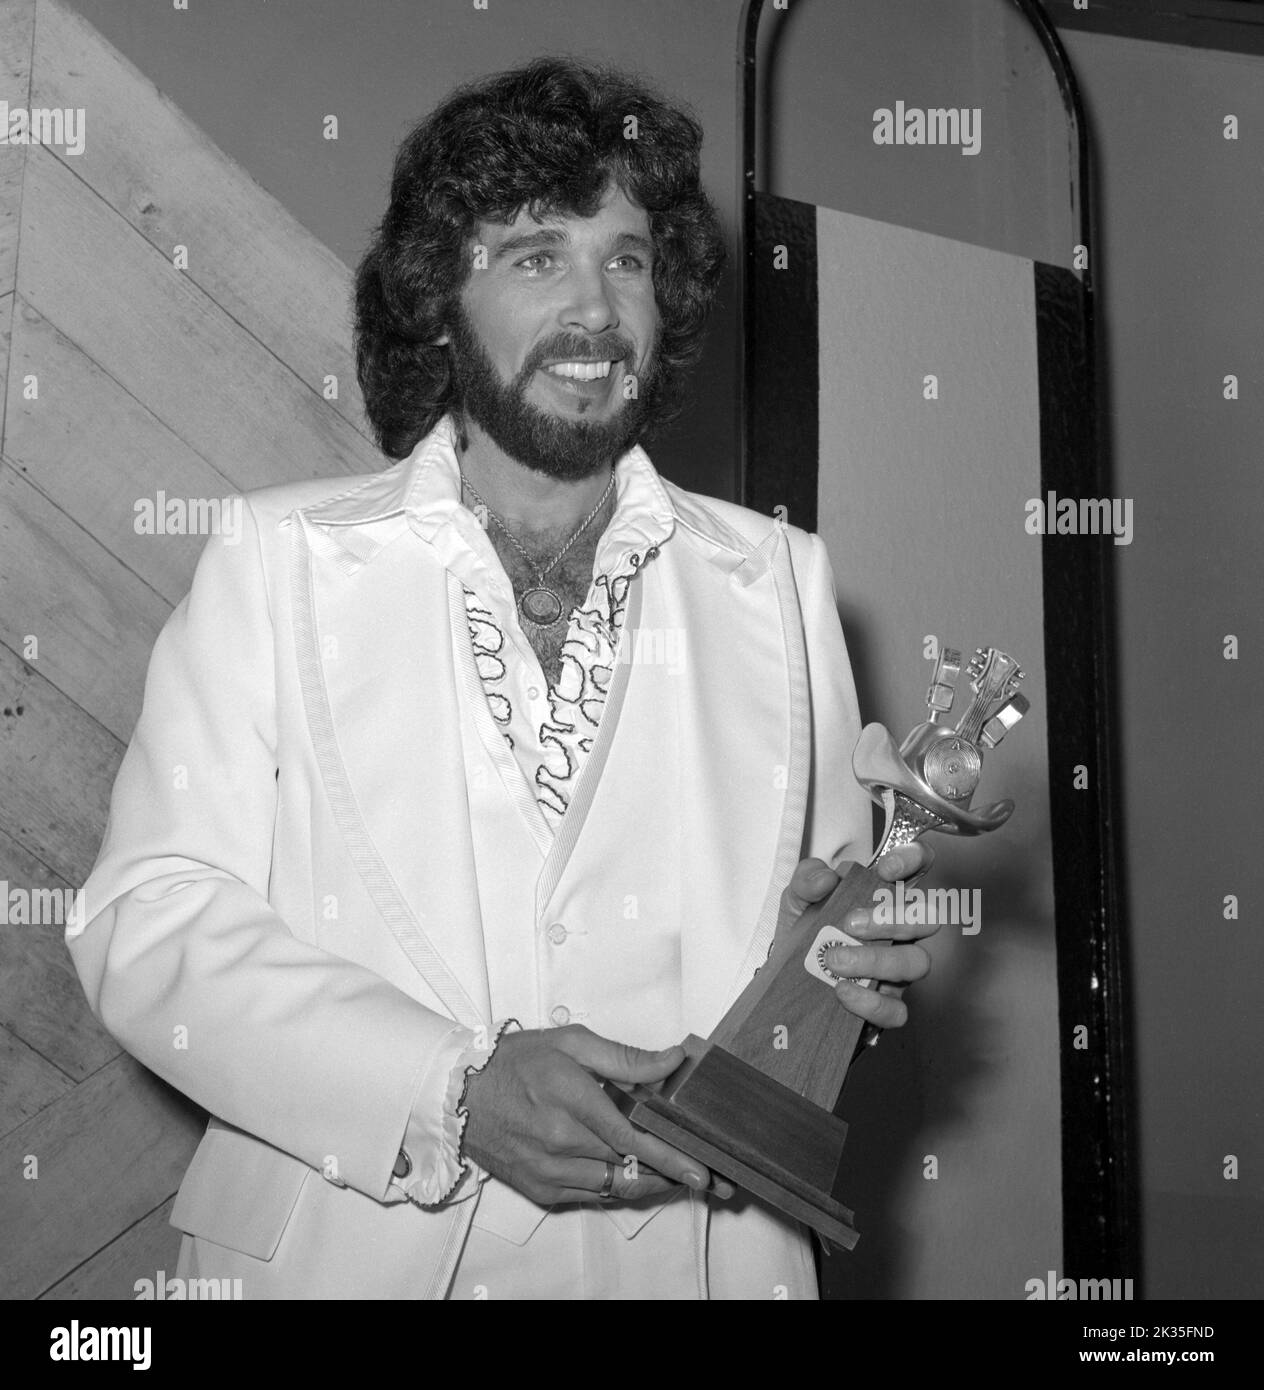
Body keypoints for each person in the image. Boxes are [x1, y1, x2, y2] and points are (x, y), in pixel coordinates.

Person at [67, 57, 936, 1300]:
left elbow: (814, 950)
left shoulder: (783, 579)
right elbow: (144, 921)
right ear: (436, 302)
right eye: (537, 255)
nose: (596, 310)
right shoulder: (278, 558)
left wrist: (843, 973)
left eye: (626, 259)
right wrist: (451, 1091)